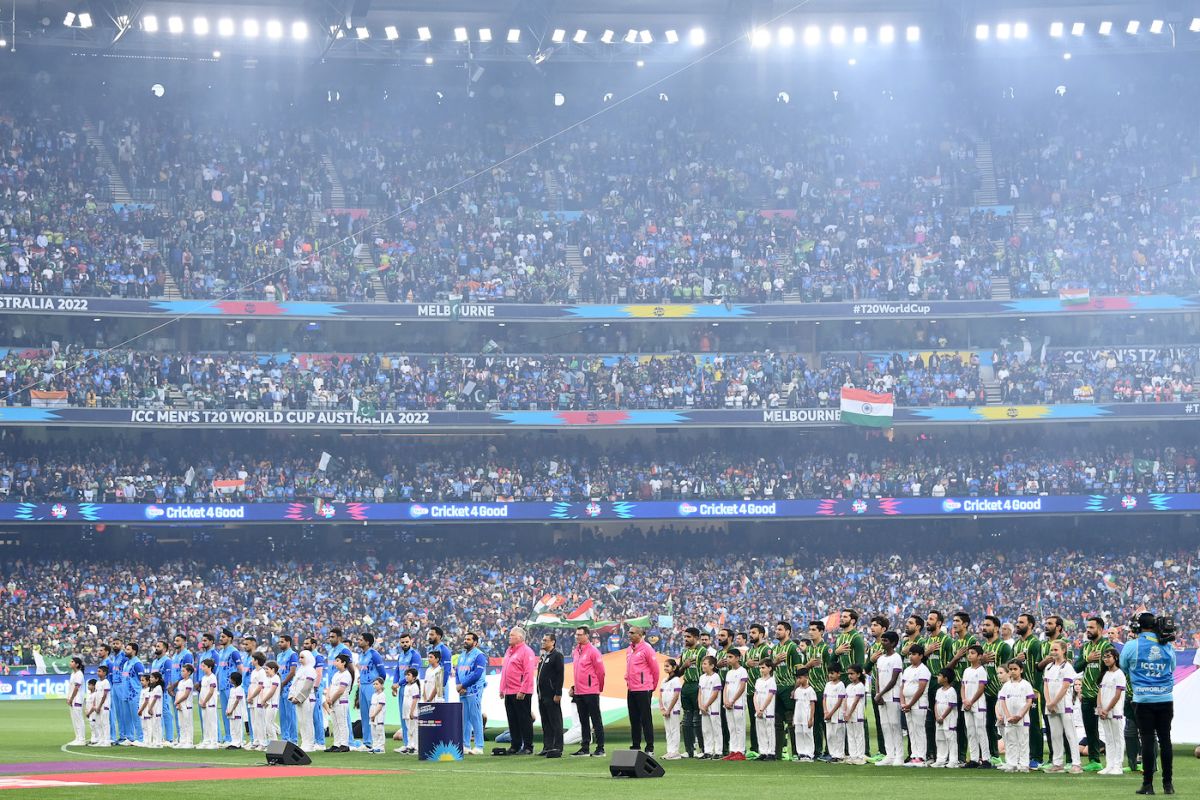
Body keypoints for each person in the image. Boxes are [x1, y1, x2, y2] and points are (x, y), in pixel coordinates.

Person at [1120, 611, 1176, 795]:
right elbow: (1172, 667)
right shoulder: (1167, 645)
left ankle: (1148, 785)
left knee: (1147, 740)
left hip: (1143, 699)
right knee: (1165, 740)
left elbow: (1123, 666)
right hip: (1165, 698)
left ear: (1138, 626)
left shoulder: (1132, 645)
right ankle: (1168, 784)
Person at [1074, 616, 1114, 772]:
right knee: (1090, 729)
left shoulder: (1107, 647)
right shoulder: (1085, 647)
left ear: (1100, 629)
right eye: (1087, 628)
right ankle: (1094, 761)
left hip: (1103, 696)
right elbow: (1076, 667)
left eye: (1091, 627)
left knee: (1108, 729)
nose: (1088, 630)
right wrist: (1087, 659)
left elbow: (1112, 669)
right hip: (1087, 696)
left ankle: (1113, 762)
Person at [1009, 613, 1045, 766]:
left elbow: (1039, 667)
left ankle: (1037, 758)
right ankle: (1023, 756)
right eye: (1017, 622)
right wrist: (1016, 660)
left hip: (1033, 690)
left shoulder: (1035, 644)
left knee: (1034, 724)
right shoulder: (1016, 644)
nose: (1017, 624)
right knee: (1020, 724)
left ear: (1030, 625)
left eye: (1021, 622)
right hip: (1018, 691)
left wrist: (1036, 688)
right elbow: (1009, 665)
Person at [1043, 640, 1082, 774]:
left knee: (1070, 734)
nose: (1053, 652)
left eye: (1056, 650)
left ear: (1063, 650)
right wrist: (1049, 702)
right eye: (1052, 650)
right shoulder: (1048, 667)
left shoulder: (1067, 667)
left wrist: (1053, 702)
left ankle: (1076, 764)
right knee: (1055, 735)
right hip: (1050, 705)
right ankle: (1057, 763)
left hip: (1064, 704)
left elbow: (1065, 687)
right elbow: (1046, 685)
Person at [834, 609, 868, 757]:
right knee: (844, 716)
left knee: (858, 716)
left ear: (853, 620)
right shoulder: (839, 638)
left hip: (854, 682)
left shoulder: (856, 638)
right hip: (842, 680)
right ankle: (847, 751)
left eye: (845, 617)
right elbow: (833, 662)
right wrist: (836, 652)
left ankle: (863, 752)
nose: (841, 618)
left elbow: (860, 663)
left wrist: (857, 680)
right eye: (841, 616)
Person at [499, 626, 537, 755]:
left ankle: (528, 746)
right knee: (512, 719)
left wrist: (523, 690)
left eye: (512, 635)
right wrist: (502, 688)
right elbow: (505, 671)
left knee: (524, 719)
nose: (509, 637)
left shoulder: (527, 652)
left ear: (520, 637)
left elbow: (528, 673)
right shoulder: (509, 651)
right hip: (509, 691)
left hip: (520, 692)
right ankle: (515, 745)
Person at [569, 625, 606, 757]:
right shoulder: (576, 651)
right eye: (576, 634)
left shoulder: (593, 651)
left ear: (587, 636)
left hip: (591, 691)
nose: (577, 637)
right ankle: (585, 747)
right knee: (583, 720)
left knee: (596, 720)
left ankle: (600, 748)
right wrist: (574, 687)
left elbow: (601, 672)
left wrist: (598, 688)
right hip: (579, 692)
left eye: (580, 635)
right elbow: (578, 672)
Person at [978, 614, 1011, 759]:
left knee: (999, 726)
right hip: (982, 693)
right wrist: (982, 661)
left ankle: (997, 756)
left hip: (997, 693)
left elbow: (1008, 670)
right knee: (985, 725)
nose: (984, 628)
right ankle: (987, 756)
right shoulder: (983, 647)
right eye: (983, 625)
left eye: (988, 625)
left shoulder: (1003, 647)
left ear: (996, 628)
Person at [920, 611, 951, 762]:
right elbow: (921, 661)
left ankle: (948, 755)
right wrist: (927, 652)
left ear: (939, 623)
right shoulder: (927, 641)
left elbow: (950, 663)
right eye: (928, 618)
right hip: (929, 684)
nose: (928, 621)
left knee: (944, 719)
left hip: (942, 686)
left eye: (931, 619)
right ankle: (931, 753)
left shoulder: (946, 640)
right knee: (930, 721)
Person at [771, 620, 803, 761]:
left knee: (792, 722)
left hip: (789, 687)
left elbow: (800, 671)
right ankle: (777, 754)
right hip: (777, 688)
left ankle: (796, 752)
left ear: (787, 632)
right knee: (777, 723)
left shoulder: (793, 648)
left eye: (780, 629)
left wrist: (795, 689)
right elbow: (769, 669)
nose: (777, 631)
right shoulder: (774, 649)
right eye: (776, 629)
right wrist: (775, 662)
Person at [624, 625, 659, 753]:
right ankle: (636, 745)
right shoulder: (629, 649)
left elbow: (655, 669)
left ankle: (650, 747)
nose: (629, 634)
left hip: (644, 688)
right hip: (631, 688)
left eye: (632, 633)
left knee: (646, 719)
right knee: (633, 718)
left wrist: (653, 686)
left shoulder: (647, 648)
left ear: (639, 635)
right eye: (629, 632)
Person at [998, 661, 1034, 773]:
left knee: (1023, 742)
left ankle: (1024, 764)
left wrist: (1020, 715)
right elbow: (1002, 701)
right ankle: (1012, 764)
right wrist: (1008, 716)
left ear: (1021, 670)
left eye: (1015, 669)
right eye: (1010, 669)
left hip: (1022, 719)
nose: (1013, 671)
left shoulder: (1026, 685)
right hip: (1009, 720)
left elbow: (1029, 701)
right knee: (1010, 742)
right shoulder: (1006, 686)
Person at [874, 630, 904, 766]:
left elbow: (894, 679)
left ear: (893, 643)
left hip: (893, 696)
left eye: (885, 640)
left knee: (895, 725)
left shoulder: (896, 658)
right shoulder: (880, 659)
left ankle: (899, 756)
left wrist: (881, 694)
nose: (882, 642)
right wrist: (878, 693)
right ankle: (890, 755)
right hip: (881, 697)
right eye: (882, 640)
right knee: (885, 726)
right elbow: (877, 678)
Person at [456, 632, 488, 755]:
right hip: (462, 690)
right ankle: (465, 745)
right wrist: (458, 685)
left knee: (475, 716)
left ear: (475, 642)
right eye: (465, 639)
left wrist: (463, 685)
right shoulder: (461, 656)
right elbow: (458, 672)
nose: (465, 641)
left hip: (474, 689)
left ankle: (479, 746)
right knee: (464, 718)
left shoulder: (479, 655)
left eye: (468, 639)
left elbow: (477, 674)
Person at [1096, 648, 1127, 776]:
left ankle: (1118, 766)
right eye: (1104, 657)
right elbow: (1100, 692)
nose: (1106, 659)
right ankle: (1109, 765)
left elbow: (1117, 695)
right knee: (1108, 739)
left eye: (1108, 656)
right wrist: (1099, 708)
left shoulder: (1119, 674)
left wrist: (1107, 709)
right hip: (1104, 712)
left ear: (1115, 658)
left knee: (1117, 739)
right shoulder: (1105, 674)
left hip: (1115, 711)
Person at [899, 641, 930, 766]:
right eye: (910, 654)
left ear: (921, 656)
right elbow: (902, 687)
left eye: (914, 654)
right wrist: (903, 703)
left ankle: (921, 757)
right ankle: (914, 755)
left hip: (918, 704)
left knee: (919, 729)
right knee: (911, 730)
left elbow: (921, 689)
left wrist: (910, 704)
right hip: (907, 704)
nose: (911, 656)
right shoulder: (907, 670)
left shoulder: (923, 670)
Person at [390, 632, 423, 750]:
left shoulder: (415, 655)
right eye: (402, 642)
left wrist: (398, 684)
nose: (404, 644)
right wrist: (395, 685)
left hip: (411, 687)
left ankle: (414, 744)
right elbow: (397, 671)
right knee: (404, 716)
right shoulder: (401, 656)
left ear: (411, 641)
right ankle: (406, 744)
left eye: (407, 642)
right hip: (402, 688)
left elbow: (413, 673)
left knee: (412, 717)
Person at [744, 623, 772, 757]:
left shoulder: (766, 650)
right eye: (750, 633)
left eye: (753, 633)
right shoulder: (748, 652)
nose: (751, 635)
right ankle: (755, 748)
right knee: (754, 720)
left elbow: (771, 666)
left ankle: (769, 749)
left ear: (761, 634)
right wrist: (746, 664)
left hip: (765, 692)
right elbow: (744, 667)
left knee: (767, 721)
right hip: (751, 691)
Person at [961, 644, 991, 768]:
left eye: (972, 653)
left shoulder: (981, 670)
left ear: (979, 656)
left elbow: (981, 688)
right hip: (967, 704)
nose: (969, 655)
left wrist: (971, 701)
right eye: (969, 653)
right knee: (970, 732)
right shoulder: (966, 670)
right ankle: (973, 759)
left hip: (978, 704)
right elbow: (963, 686)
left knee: (981, 731)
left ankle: (986, 759)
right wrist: (964, 700)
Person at [805, 620, 831, 759]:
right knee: (814, 722)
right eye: (810, 629)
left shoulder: (826, 649)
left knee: (825, 722)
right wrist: (808, 665)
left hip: (823, 690)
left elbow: (831, 670)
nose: (810, 632)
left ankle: (829, 750)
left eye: (814, 629)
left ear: (821, 632)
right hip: (811, 690)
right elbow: (804, 669)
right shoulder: (808, 649)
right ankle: (817, 751)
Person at [325, 629, 355, 748]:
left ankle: (347, 742)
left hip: (342, 688)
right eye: (329, 637)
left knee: (343, 720)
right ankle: (337, 743)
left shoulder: (344, 650)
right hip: (333, 685)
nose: (330, 639)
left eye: (333, 637)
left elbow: (351, 668)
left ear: (339, 638)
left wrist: (349, 687)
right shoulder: (331, 651)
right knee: (336, 722)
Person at [355, 633, 385, 752]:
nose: (358, 641)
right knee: (364, 715)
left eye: (361, 640)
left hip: (371, 686)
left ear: (367, 642)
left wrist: (377, 687)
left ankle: (376, 743)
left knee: (374, 714)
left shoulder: (374, 654)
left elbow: (382, 673)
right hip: (362, 686)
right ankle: (367, 742)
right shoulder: (361, 655)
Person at [678, 626, 704, 758]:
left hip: (697, 685)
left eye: (689, 637)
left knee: (698, 719)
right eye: (685, 637)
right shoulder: (685, 652)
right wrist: (684, 665)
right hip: (686, 686)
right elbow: (678, 673)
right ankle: (689, 750)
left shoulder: (703, 651)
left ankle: (703, 749)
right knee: (686, 720)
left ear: (696, 638)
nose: (686, 639)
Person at [536, 632, 564, 758]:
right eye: (543, 640)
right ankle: (547, 747)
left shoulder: (557, 655)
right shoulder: (543, 656)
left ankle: (557, 747)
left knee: (555, 721)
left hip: (552, 694)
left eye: (545, 640)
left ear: (553, 642)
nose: (543, 642)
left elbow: (560, 675)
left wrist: (558, 693)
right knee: (545, 722)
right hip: (542, 695)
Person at [720, 648, 748, 761]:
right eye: (727, 657)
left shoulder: (742, 671)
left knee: (739, 728)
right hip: (728, 704)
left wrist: (732, 700)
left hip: (738, 704)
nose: (728, 659)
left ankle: (740, 751)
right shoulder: (729, 672)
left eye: (730, 657)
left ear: (738, 658)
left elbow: (742, 687)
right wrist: (725, 700)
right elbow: (726, 687)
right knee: (731, 727)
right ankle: (733, 750)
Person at [289, 650, 319, 752]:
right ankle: (304, 742)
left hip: (307, 699)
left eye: (302, 657)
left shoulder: (311, 670)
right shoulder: (300, 670)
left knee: (307, 721)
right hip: (297, 700)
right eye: (299, 657)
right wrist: (292, 696)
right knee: (301, 722)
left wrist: (298, 698)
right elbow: (294, 685)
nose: (300, 660)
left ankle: (310, 744)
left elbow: (307, 686)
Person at [215, 629, 241, 745]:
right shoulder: (221, 652)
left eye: (223, 637)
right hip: (222, 687)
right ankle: (228, 737)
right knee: (225, 713)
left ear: (229, 638)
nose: (221, 639)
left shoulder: (234, 652)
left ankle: (237, 738)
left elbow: (240, 668)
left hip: (231, 686)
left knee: (234, 713)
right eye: (220, 636)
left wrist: (238, 685)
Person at [169, 634, 193, 746]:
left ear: (183, 642)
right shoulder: (174, 655)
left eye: (178, 640)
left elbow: (186, 673)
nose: (175, 642)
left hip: (181, 687)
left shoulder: (187, 655)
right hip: (175, 688)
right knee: (178, 714)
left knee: (185, 716)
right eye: (175, 640)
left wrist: (173, 685)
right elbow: (173, 672)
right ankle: (180, 738)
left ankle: (187, 739)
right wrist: (170, 685)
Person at [932, 668, 959, 768]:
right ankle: (940, 759)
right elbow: (936, 704)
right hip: (939, 719)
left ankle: (953, 760)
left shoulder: (951, 691)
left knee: (950, 738)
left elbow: (951, 705)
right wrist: (937, 716)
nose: (938, 677)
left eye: (940, 675)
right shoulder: (939, 691)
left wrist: (943, 717)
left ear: (946, 678)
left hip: (949, 719)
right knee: (940, 739)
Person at [275, 634, 300, 746]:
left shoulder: (293, 655)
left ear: (288, 642)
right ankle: (285, 738)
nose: (280, 644)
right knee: (282, 715)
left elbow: (292, 672)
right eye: (279, 642)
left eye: (282, 642)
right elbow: (278, 672)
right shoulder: (279, 655)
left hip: (289, 687)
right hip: (280, 688)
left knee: (291, 715)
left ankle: (293, 739)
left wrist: (283, 684)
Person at [150, 641, 175, 746]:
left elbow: (168, 676)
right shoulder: (154, 662)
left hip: (162, 691)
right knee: (157, 712)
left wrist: (164, 689)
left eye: (158, 646)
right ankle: (160, 736)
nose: (156, 648)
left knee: (165, 712)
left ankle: (169, 738)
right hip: (155, 690)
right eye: (156, 646)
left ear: (164, 649)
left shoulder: (167, 661)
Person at [697, 655, 722, 759]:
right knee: (706, 730)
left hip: (713, 707)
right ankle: (708, 751)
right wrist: (700, 705)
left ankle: (718, 751)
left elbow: (715, 693)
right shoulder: (702, 677)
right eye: (702, 664)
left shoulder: (716, 677)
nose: (703, 666)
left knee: (716, 729)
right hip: (703, 708)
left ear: (712, 666)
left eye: (705, 664)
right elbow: (700, 692)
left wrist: (706, 705)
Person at [658, 658, 683, 760]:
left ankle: (675, 752)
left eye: (667, 666)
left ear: (674, 667)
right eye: (665, 666)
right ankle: (669, 751)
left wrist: (669, 709)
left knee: (674, 729)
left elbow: (676, 696)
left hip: (673, 709)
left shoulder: (676, 680)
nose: (665, 668)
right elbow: (660, 695)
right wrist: (662, 708)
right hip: (666, 710)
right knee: (668, 730)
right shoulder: (664, 680)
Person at [844, 664, 868, 765]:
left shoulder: (860, 686)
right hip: (848, 714)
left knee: (859, 735)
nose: (850, 676)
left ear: (858, 674)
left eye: (852, 673)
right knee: (850, 734)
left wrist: (849, 713)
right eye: (849, 674)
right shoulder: (849, 686)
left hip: (857, 714)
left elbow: (856, 701)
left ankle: (860, 756)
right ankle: (853, 755)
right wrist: (845, 712)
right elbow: (845, 700)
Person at [822, 663, 846, 761]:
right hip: (828, 714)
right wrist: (825, 711)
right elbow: (824, 698)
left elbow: (840, 701)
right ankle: (832, 754)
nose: (830, 675)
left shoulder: (841, 685)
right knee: (830, 735)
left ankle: (839, 755)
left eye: (832, 673)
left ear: (838, 674)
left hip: (837, 714)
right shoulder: (828, 685)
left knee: (838, 734)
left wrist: (831, 713)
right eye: (829, 673)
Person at [792, 668, 816, 760]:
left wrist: (811, 718)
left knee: (807, 733)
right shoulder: (797, 690)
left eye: (800, 678)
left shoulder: (810, 690)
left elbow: (812, 704)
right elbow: (796, 704)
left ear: (806, 677)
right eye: (797, 678)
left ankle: (809, 754)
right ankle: (801, 753)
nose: (798, 680)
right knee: (798, 733)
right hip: (798, 716)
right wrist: (794, 717)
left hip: (806, 716)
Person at [198, 658, 219, 750]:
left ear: (210, 667)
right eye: (202, 666)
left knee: (212, 722)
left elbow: (211, 691)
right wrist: (201, 701)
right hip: (204, 703)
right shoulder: (204, 678)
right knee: (205, 722)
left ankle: (214, 742)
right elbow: (203, 691)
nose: (202, 668)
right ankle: (206, 740)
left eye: (204, 666)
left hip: (210, 703)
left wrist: (205, 701)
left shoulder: (212, 677)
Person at [400, 667, 421, 754]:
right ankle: (409, 745)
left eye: (408, 675)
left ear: (414, 677)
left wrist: (412, 712)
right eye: (406, 675)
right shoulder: (406, 686)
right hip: (406, 711)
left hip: (412, 712)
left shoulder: (415, 687)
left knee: (414, 730)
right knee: (409, 729)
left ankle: (416, 747)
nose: (406, 676)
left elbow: (415, 700)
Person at [173, 663, 194, 749]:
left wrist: (177, 702)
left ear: (189, 672)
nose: (182, 672)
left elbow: (186, 695)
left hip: (187, 705)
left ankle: (189, 741)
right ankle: (182, 741)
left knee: (187, 723)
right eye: (181, 671)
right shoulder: (181, 682)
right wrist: (177, 703)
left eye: (183, 671)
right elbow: (178, 693)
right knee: (181, 724)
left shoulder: (189, 682)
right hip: (180, 705)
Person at [66, 656, 86, 746]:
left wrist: (71, 698)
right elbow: (70, 687)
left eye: (72, 662)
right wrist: (68, 698)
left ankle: (82, 739)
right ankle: (77, 737)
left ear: (77, 664)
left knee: (79, 719)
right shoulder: (73, 674)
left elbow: (76, 688)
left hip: (77, 699)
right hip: (72, 699)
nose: (70, 663)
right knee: (74, 719)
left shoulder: (79, 674)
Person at [261, 660, 282, 744]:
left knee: (269, 724)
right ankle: (272, 742)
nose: (265, 671)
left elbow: (272, 691)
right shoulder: (268, 679)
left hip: (272, 704)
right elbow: (264, 690)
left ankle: (274, 743)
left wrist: (264, 700)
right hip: (267, 704)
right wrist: (264, 700)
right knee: (268, 724)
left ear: (273, 669)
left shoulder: (276, 678)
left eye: (267, 669)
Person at [225, 672, 246, 750]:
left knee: (237, 728)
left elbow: (237, 701)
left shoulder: (240, 689)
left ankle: (238, 743)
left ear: (234, 680)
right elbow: (230, 701)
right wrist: (228, 710)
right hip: (231, 711)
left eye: (231, 678)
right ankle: (233, 742)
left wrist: (232, 710)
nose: (229, 679)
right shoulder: (232, 689)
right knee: (232, 728)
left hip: (237, 712)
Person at [93, 665, 112, 747]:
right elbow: (96, 694)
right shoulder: (97, 683)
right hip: (98, 707)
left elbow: (104, 695)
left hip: (104, 706)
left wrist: (99, 706)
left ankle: (107, 741)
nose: (97, 673)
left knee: (105, 723)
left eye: (99, 671)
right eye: (97, 671)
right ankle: (101, 740)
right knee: (98, 723)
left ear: (104, 673)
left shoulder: (106, 682)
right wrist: (95, 705)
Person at [368, 676, 387, 754]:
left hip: (379, 715)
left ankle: (381, 748)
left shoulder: (382, 695)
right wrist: (371, 715)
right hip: (373, 714)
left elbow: (380, 706)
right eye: (374, 684)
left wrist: (374, 714)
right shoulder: (374, 695)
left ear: (381, 685)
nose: (375, 686)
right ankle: (375, 746)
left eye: (377, 684)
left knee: (379, 731)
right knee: (373, 732)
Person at [137, 674, 151, 746]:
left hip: (146, 711)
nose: (141, 682)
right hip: (142, 711)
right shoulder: (142, 690)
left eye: (143, 680)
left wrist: (141, 710)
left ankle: (149, 741)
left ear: (148, 681)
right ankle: (145, 741)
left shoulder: (148, 690)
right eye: (141, 680)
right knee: (144, 727)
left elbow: (146, 701)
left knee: (148, 726)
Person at [84, 678, 99, 745]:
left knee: (95, 726)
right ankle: (93, 739)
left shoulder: (95, 694)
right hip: (89, 713)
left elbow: (94, 705)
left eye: (89, 685)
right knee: (92, 726)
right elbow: (87, 704)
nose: (88, 686)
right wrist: (86, 711)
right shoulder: (88, 694)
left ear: (94, 686)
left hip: (93, 713)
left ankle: (97, 739)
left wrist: (89, 713)